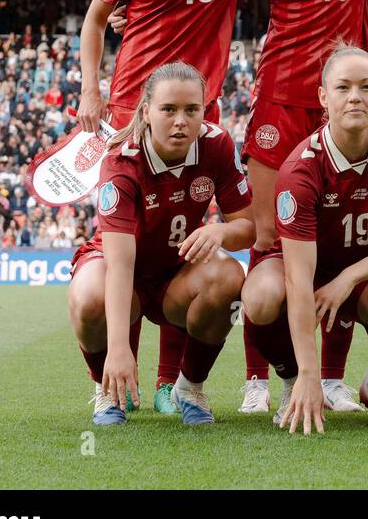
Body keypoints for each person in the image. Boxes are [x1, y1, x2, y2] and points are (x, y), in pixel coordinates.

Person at [77, 0, 253, 415]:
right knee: (122, 245)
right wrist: (91, 87)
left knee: (189, 241)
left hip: (194, 113)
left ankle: (172, 383)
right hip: (134, 117)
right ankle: (110, 384)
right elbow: (97, 17)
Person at [237, 0, 368, 415]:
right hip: (282, 99)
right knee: (266, 238)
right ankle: (256, 379)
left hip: (345, 104)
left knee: (342, 243)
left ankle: (332, 378)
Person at [241, 47, 368, 431]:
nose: (355, 97)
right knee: (259, 295)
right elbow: (298, 279)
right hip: (309, 276)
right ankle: (292, 382)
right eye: (343, 87)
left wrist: (349, 277)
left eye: (366, 87)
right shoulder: (300, 170)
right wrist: (309, 373)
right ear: (323, 97)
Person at [67, 62, 254, 426]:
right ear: (147, 112)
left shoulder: (217, 144)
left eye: (191, 110)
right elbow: (120, 266)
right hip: (124, 273)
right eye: (168, 109)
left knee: (229, 277)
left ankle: (189, 387)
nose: (180, 120)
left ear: (204, 111)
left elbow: (249, 228)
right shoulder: (121, 161)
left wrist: (220, 232)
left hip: (177, 275)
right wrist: (120, 350)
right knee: (89, 294)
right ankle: (108, 389)